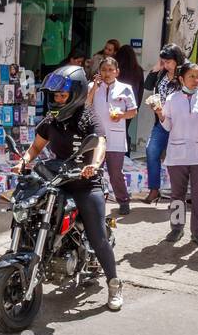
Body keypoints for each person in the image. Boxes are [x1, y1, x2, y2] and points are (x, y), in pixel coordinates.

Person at [15, 64, 123, 311]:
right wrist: (24, 160)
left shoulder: (88, 117)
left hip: (85, 182)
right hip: (58, 179)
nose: (58, 99)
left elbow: (100, 144)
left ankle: (114, 283)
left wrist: (93, 165)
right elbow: (36, 147)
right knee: (31, 212)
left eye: (62, 95)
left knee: (98, 237)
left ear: (75, 94)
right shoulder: (52, 119)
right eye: (55, 96)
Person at [159, 62, 198, 248]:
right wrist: (160, 114)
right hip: (177, 154)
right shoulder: (172, 98)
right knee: (177, 194)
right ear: (181, 79)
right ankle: (177, 228)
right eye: (191, 76)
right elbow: (168, 126)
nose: (196, 80)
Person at [86, 55, 138, 215]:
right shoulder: (92, 86)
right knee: (94, 171)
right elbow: (86, 106)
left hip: (116, 138)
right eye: (103, 70)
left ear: (117, 72)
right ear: (99, 71)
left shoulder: (125, 88)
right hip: (97, 137)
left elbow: (133, 112)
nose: (107, 73)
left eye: (110, 70)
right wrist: (94, 88)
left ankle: (123, 201)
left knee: (116, 173)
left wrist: (121, 115)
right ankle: (93, 201)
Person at [142, 44, 186, 204]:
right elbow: (147, 86)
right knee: (151, 151)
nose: (166, 65)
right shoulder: (162, 74)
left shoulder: (185, 74)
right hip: (161, 121)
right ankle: (154, 190)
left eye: (168, 62)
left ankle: (178, 194)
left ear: (177, 60)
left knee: (177, 159)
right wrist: (156, 68)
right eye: (164, 61)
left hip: (179, 123)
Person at [114, 44, 145, 152]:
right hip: (131, 105)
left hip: (116, 104)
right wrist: (137, 107)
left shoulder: (117, 71)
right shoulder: (138, 70)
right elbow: (141, 90)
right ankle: (126, 155)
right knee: (125, 130)